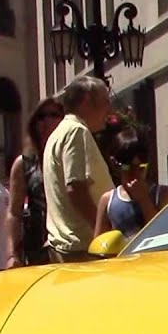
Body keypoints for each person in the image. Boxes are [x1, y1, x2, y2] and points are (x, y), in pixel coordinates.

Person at [43, 77, 114, 263]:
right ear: (86, 101)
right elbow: (75, 188)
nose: (109, 108)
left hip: (66, 245)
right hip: (82, 248)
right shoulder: (76, 131)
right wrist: (102, 231)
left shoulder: (58, 134)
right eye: (106, 101)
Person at [7, 98, 64, 267]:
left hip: (69, 242)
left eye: (54, 115)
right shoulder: (24, 163)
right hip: (37, 246)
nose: (47, 120)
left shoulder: (72, 157)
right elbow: (14, 212)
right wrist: (12, 254)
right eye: (41, 116)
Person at [94, 133, 168, 240]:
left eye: (141, 167)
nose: (135, 173)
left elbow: (165, 235)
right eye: (127, 167)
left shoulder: (162, 194)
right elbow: (99, 245)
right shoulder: (108, 201)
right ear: (115, 164)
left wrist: (144, 200)